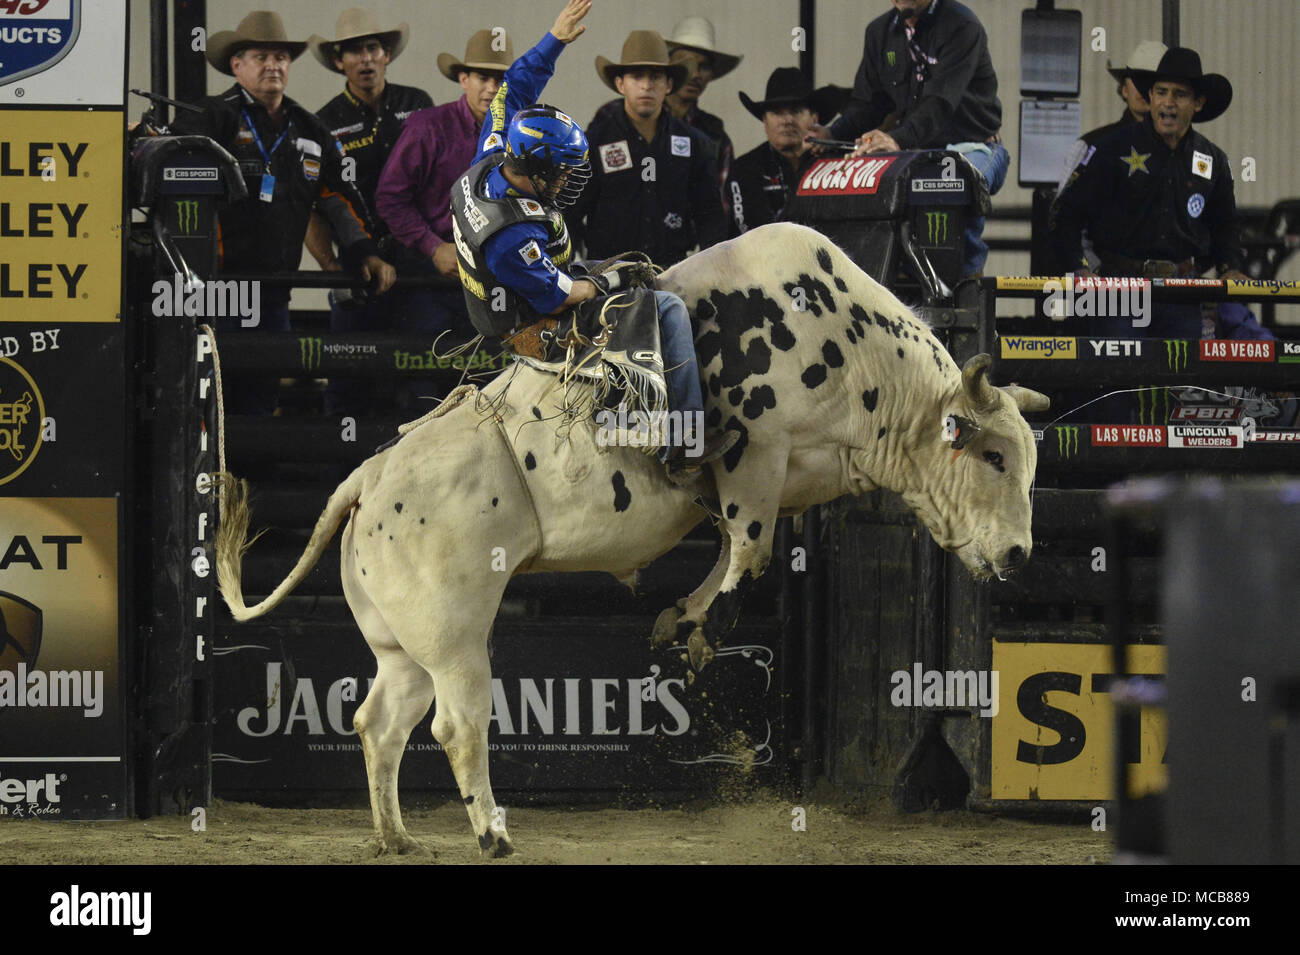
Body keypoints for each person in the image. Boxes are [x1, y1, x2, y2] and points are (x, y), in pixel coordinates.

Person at [450, 0, 735, 479]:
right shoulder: (512, 237)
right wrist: (608, 282)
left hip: (534, 286)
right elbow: (561, 295)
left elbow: (515, 84)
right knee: (660, 307)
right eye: (561, 172)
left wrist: (554, 39)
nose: (568, 182)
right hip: (528, 320)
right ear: (537, 169)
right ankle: (681, 441)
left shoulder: (496, 152)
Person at [170, 11, 394, 414]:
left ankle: (252, 476)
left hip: (275, 291)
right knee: (209, 400)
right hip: (216, 292)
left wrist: (363, 252)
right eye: (261, 57)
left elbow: (338, 198)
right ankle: (214, 476)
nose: (273, 65)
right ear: (236, 66)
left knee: (262, 396)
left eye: (281, 58)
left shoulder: (309, 129)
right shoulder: (208, 117)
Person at [1050, 47, 1265, 340]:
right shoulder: (1113, 149)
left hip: (1182, 292)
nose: (1168, 103)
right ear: (1150, 98)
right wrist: (1080, 268)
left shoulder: (1213, 159)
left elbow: (1225, 224)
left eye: (1179, 94)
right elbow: (1067, 213)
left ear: (1198, 103)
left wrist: (1230, 268)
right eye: (1161, 92)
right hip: (1119, 291)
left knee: (1177, 379)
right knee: (1120, 378)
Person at [811, 0, 1005, 278]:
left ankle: (967, 294)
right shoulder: (879, 33)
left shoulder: (962, 25)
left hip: (975, 146)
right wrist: (832, 132)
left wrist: (898, 140)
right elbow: (869, 103)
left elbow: (940, 102)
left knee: (955, 182)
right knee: (867, 181)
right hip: (914, 151)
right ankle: (891, 285)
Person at [305, 8, 433, 415]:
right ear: (339, 61)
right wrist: (332, 268)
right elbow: (311, 204)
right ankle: (342, 473)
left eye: (372, 48)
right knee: (348, 376)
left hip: (418, 264)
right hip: (356, 265)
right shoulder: (322, 123)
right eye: (353, 51)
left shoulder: (418, 106)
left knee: (422, 376)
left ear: (386, 55)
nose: (364, 58)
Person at [568, 30, 726, 268]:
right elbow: (569, 215)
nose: (646, 86)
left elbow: (710, 217)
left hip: (673, 275)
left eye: (655, 77)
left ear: (669, 84)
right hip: (605, 277)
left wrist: (711, 270)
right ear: (620, 84)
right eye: (637, 76)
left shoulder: (694, 143)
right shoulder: (593, 142)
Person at [729, 68, 848, 234]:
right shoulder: (745, 168)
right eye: (777, 112)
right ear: (765, 121)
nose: (787, 120)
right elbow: (753, 232)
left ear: (814, 119)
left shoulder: (837, 165)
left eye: (796, 111)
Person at [1056, 40, 1165, 195]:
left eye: (1152, 81)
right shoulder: (1089, 146)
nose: (1143, 88)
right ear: (1125, 89)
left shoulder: (1188, 149)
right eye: (1137, 80)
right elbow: (1062, 212)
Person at [664, 16, 743, 222]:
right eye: (687, 63)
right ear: (669, 65)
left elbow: (722, 207)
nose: (696, 74)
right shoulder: (620, 117)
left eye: (704, 66)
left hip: (693, 250)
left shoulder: (716, 137)